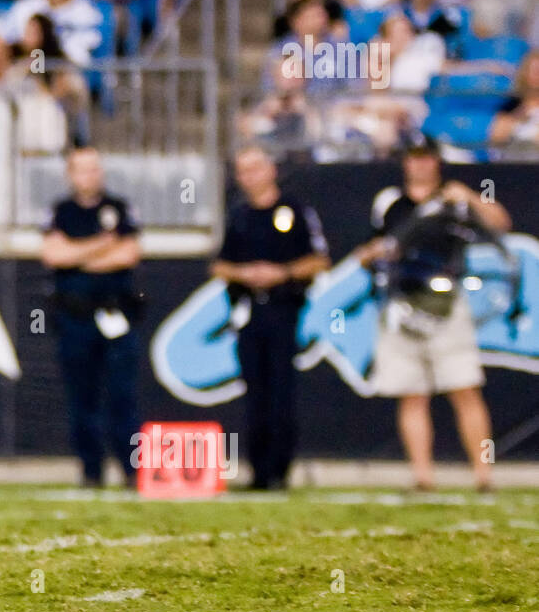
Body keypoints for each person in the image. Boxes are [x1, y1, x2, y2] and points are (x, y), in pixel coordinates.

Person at [356, 133, 511, 491]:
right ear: (405, 162)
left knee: (464, 387)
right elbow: (368, 251)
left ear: (437, 161)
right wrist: (378, 253)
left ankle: (484, 475)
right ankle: (422, 476)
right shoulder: (390, 203)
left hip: (445, 302)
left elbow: (500, 222)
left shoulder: (454, 200)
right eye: (413, 157)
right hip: (401, 303)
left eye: (426, 157)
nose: (420, 164)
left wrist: (470, 197)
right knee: (412, 392)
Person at [211, 146, 330, 489]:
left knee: (281, 391)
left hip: (282, 308)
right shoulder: (239, 215)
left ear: (271, 171)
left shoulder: (295, 211)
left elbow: (320, 259)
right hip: (248, 312)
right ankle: (259, 471)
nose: (249, 177)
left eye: (255, 169)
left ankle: (280, 470)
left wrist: (281, 273)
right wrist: (246, 274)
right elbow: (220, 265)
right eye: (242, 171)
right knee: (254, 393)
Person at [41, 148, 144, 488]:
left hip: (116, 314)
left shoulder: (119, 207)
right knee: (81, 397)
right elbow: (54, 255)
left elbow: (129, 254)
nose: (90, 176)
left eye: (94, 169)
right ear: (70, 174)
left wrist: (78, 253)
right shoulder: (61, 211)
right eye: (82, 170)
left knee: (121, 395)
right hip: (75, 317)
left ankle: (131, 470)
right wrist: (103, 245)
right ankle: (91, 470)